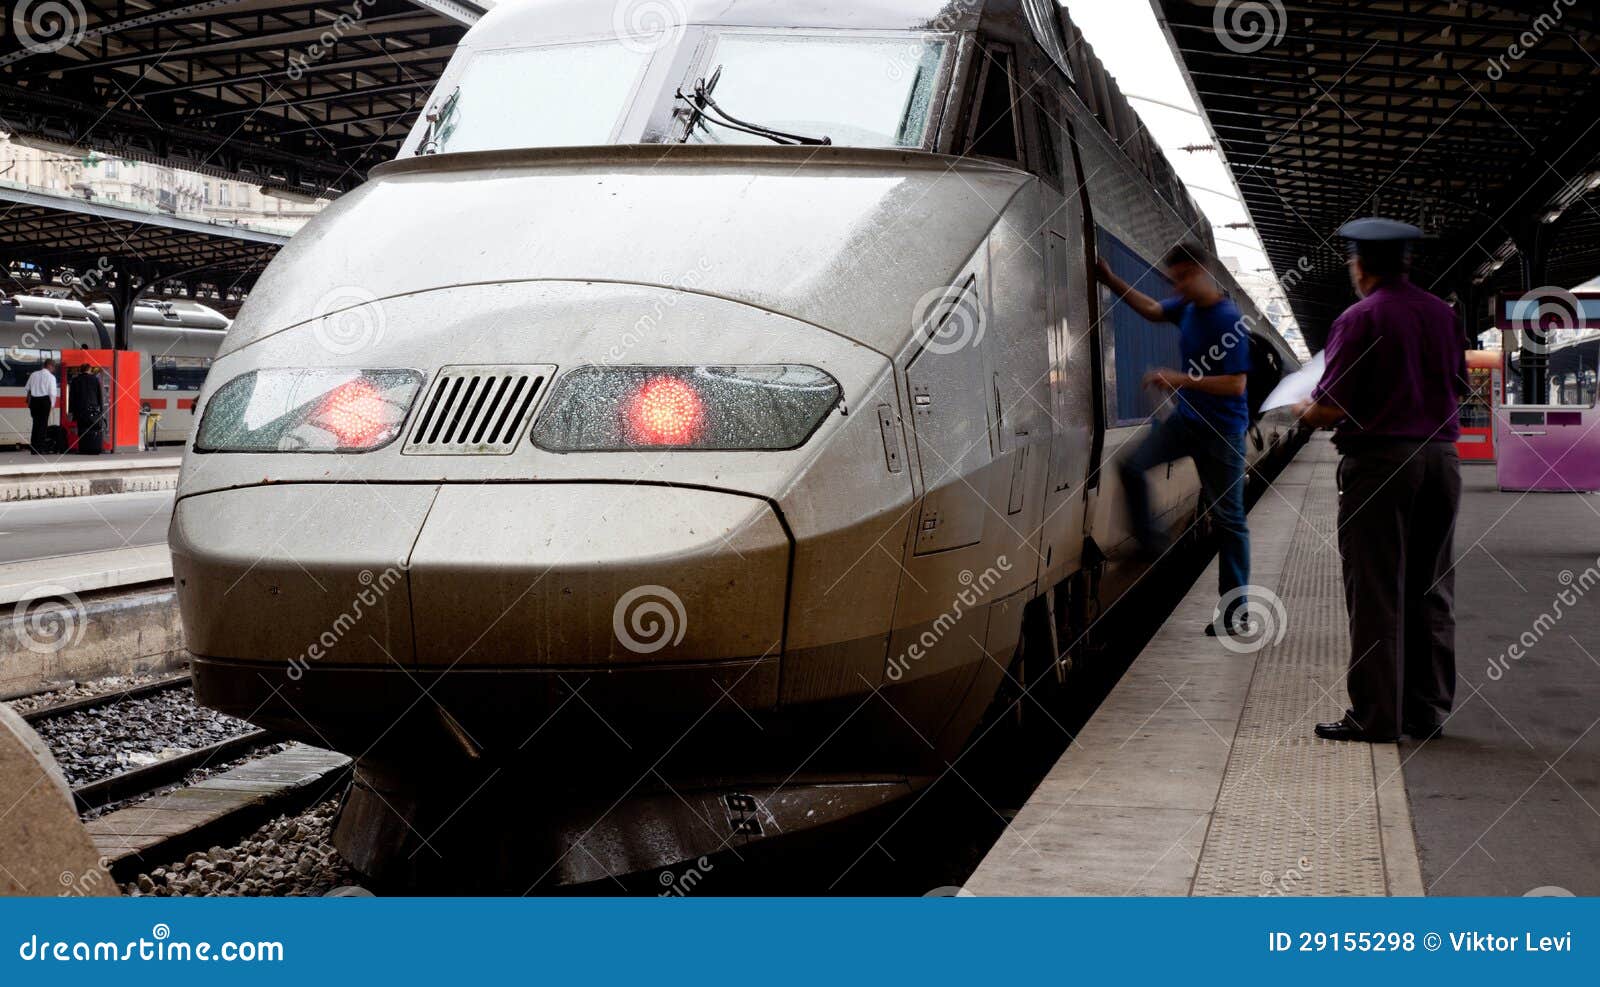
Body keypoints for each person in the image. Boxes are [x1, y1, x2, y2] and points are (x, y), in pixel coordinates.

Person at [1293, 218, 1466, 744]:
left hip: (1382, 465)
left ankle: (1376, 716)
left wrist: (1303, 410)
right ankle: (1426, 712)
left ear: (1360, 266)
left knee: (1376, 591)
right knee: (1431, 588)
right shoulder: (1442, 314)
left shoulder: (1360, 318)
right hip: (1442, 460)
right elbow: (1457, 386)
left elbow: (1329, 408)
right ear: (1405, 263)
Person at [1095, 242, 1253, 637]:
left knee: (1229, 521)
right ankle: (1152, 543)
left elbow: (1236, 385)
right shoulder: (1187, 307)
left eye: (1183, 278)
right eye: (1174, 279)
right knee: (1130, 465)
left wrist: (1181, 379)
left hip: (1222, 433)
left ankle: (1235, 614)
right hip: (1186, 423)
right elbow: (1152, 310)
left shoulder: (1228, 320)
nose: (1177, 286)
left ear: (1202, 272)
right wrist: (1110, 280)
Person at [24, 359, 58, 455]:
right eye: (54, 367)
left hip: (34, 401)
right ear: (50, 366)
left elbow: (27, 388)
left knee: (35, 424)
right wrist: (52, 405)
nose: (54, 369)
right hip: (44, 401)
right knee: (43, 425)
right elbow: (52, 393)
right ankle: (39, 448)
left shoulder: (34, 374)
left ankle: (33, 448)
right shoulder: (51, 377)